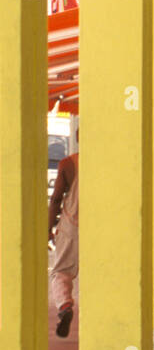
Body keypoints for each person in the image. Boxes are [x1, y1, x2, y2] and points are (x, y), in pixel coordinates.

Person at [49, 141, 79, 337]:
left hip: (71, 226)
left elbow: (57, 199)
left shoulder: (68, 163)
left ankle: (65, 305)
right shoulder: (109, 162)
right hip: (102, 225)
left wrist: (48, 227)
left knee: (61, 272)